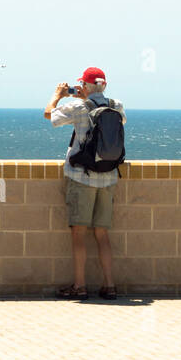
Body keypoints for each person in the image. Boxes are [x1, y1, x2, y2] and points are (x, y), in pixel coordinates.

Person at [43, 66, 126, 301]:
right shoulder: (117, 106)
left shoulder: (78, 107)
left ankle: (79, 286)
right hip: (108, 176)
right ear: (105, 85)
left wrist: (57, 95)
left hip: (82, 177)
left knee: (79, 233)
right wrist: (90, 98)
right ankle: (109, 285)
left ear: (85, 86)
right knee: (102, 233)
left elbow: (50, 115)